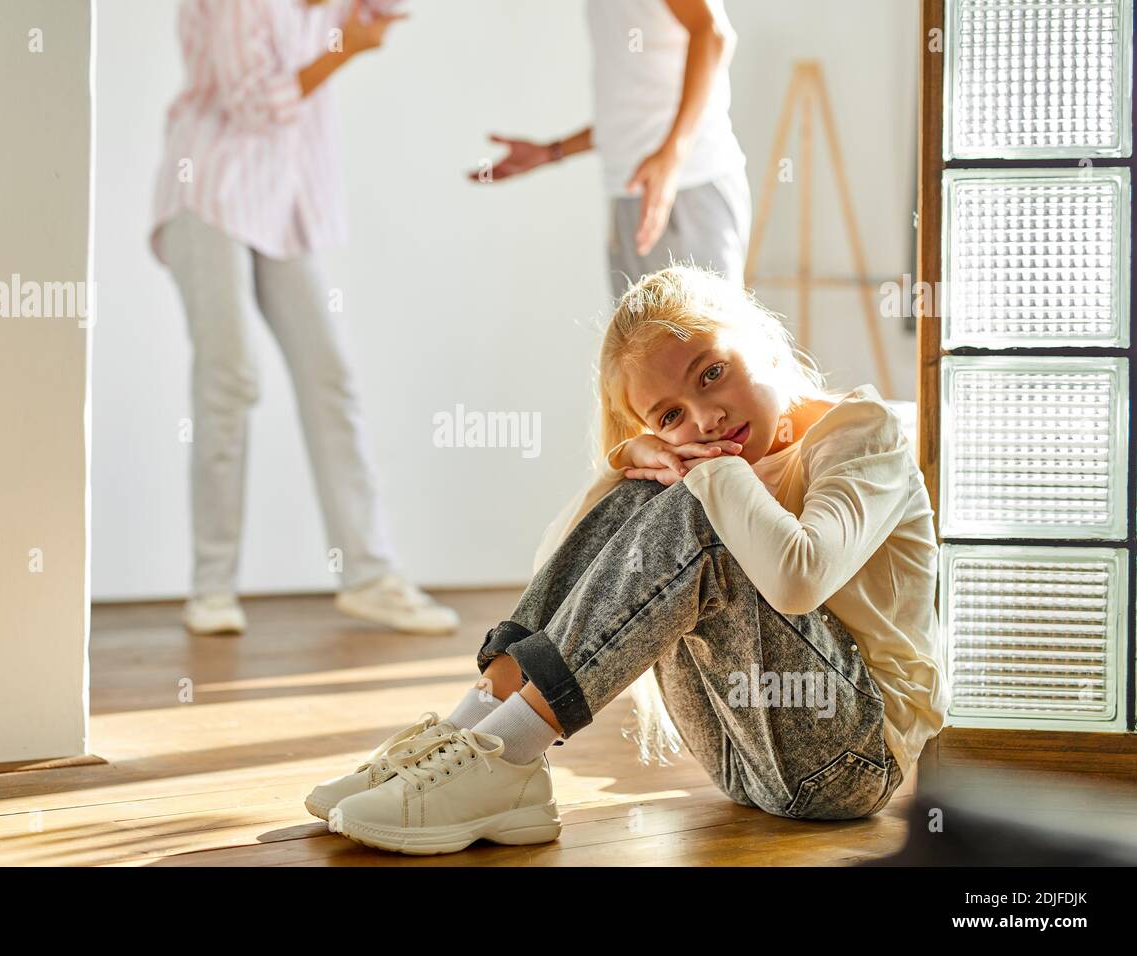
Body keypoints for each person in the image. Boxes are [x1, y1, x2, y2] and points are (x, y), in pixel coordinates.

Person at [305, 265, 950, 855]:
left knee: (701, 505)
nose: (705, 417)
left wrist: (711, 469)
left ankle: (509, 754)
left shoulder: (862, 433)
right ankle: (473, 734)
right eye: (670, 414)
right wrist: (624, 466)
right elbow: (556, 564)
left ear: (761, 339)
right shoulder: (701, 458)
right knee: (662, 493)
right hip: (736, 753)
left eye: (711, 372)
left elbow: (798, 576)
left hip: (852, 755)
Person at [150, 0, 459, 637]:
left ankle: (368, 576)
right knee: (231, 378)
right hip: (210, 191)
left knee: (330, 377)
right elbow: (253, 103)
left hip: (280, 208)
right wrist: (344, 47)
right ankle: (211, 590)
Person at [471, 0, 751, 292]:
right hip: (630, 190)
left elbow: (713, 35)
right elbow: (635, 111)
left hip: (689, 183)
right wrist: (552, 151)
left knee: (706, 335)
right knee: (634, 337)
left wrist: (673, 155)